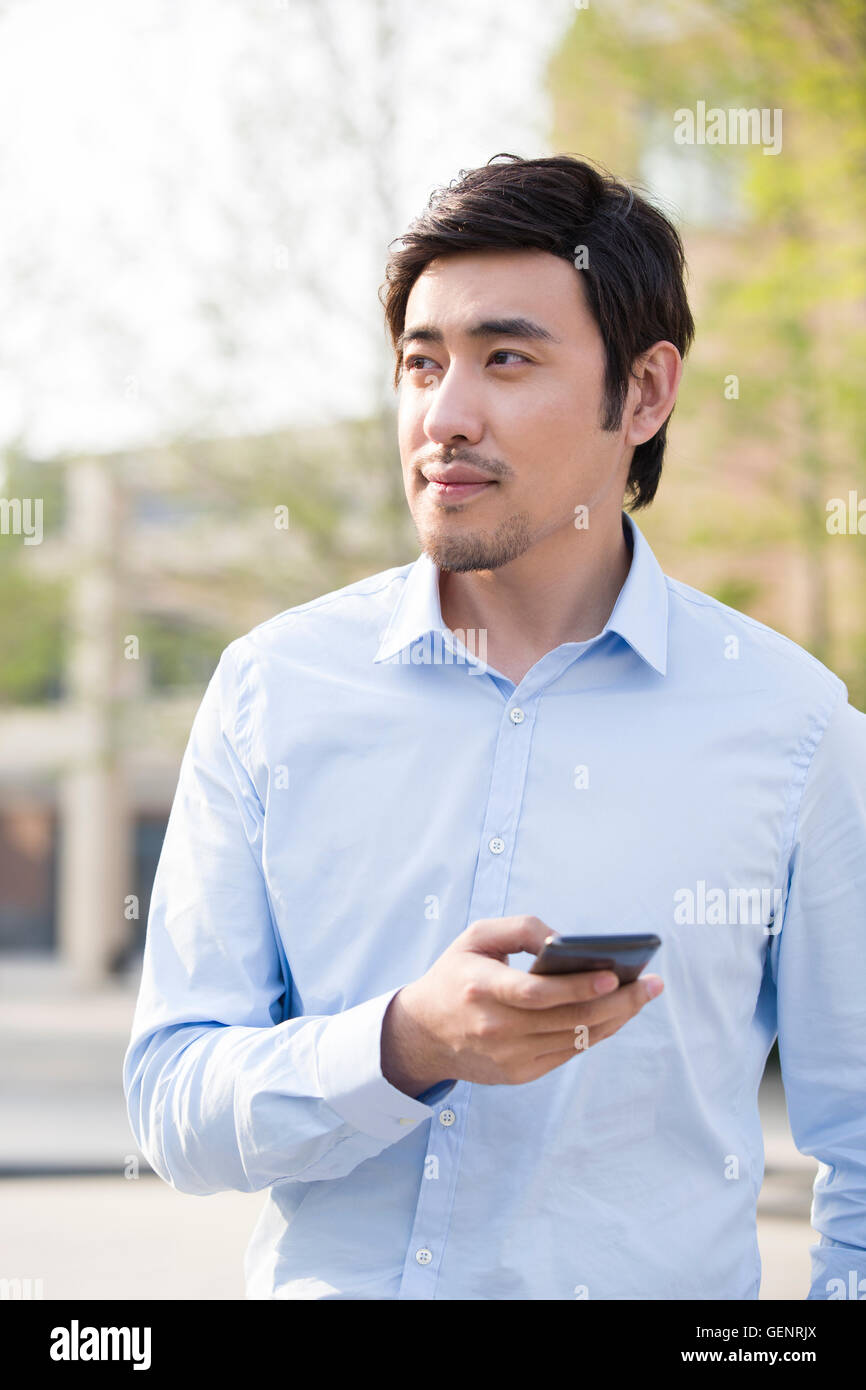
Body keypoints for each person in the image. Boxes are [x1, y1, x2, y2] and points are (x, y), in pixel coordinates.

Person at [123, 153, 866, 1300]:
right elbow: (172, 1107)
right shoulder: (273, 689)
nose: (443, 416)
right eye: (421, 364)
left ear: (647, 392)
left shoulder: (793, 727)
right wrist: (401, 1045)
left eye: (505, 359)